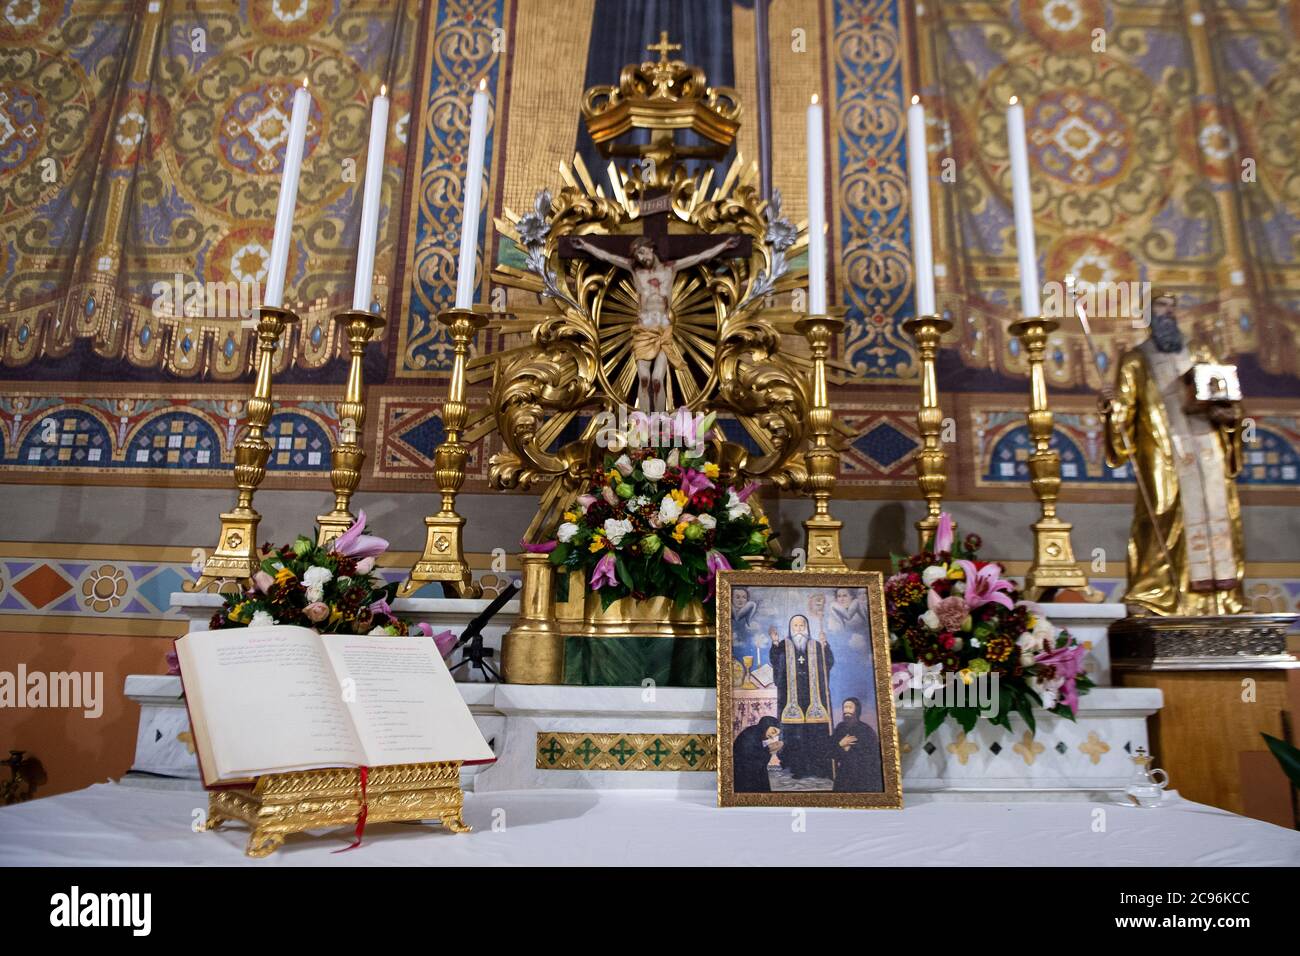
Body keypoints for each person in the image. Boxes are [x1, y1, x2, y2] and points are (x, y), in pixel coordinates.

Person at [1098, 291, 1245, 615]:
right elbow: (1125, 409)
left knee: (1217, 516)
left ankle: (1218, 602)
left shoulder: (1201, 352)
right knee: (1162, 518)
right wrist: (1111, 409)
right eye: (1160, 307)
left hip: (1207, 448)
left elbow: (1225, 394)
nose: (1168, 313)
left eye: (1172, 307)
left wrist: (1229, 417)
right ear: (1149, 316)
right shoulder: (1136, 359)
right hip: (1164, 454)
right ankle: (1156, 595)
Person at [571, 234, 740, 412]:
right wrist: (585, 246)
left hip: (663, 331)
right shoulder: (637, 271)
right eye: (638, 256)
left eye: (643, 252)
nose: (643, 258)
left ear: (651, 248)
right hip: (644, 331)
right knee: (644, 379)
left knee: (657, 380)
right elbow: (608, 257)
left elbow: (700, 257)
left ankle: (659, 421)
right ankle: (645, 420)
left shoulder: (670, 269)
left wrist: (724, 245)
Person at [769, 614, 834, 780]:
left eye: (801, 625)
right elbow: (776, 663)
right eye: (795, 626)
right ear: (791, 628)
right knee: (794, 734)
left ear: (806, 627)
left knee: (815, 733)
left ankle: (817, 766)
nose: (798, 629)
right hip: (792, 698)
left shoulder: (816, 644)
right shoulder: (784, 645)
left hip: (814, 697)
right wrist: (775, 644)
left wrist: (825, 646)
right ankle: (796, 766)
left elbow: (828, 663)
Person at [830, 697, 883, 792]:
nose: (846, 710)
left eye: (850, 707)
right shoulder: (840, 728)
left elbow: (872, 755)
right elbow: (831, 752)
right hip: (844, 774)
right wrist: (840, 744)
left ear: (857, 710)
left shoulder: (866, 730)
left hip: (863, 775)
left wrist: (849, 749)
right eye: (845, 708)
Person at [732, 716, 782, 792]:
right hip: (743, 774)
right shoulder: (749, 735)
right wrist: (769, 749)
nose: (773, 736)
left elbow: (757, 756)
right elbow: (749, 759)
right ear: (766, 725)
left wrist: (769, 750)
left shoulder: (756, 732)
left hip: (749, 770)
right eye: (773, 731)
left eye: (776, 735)